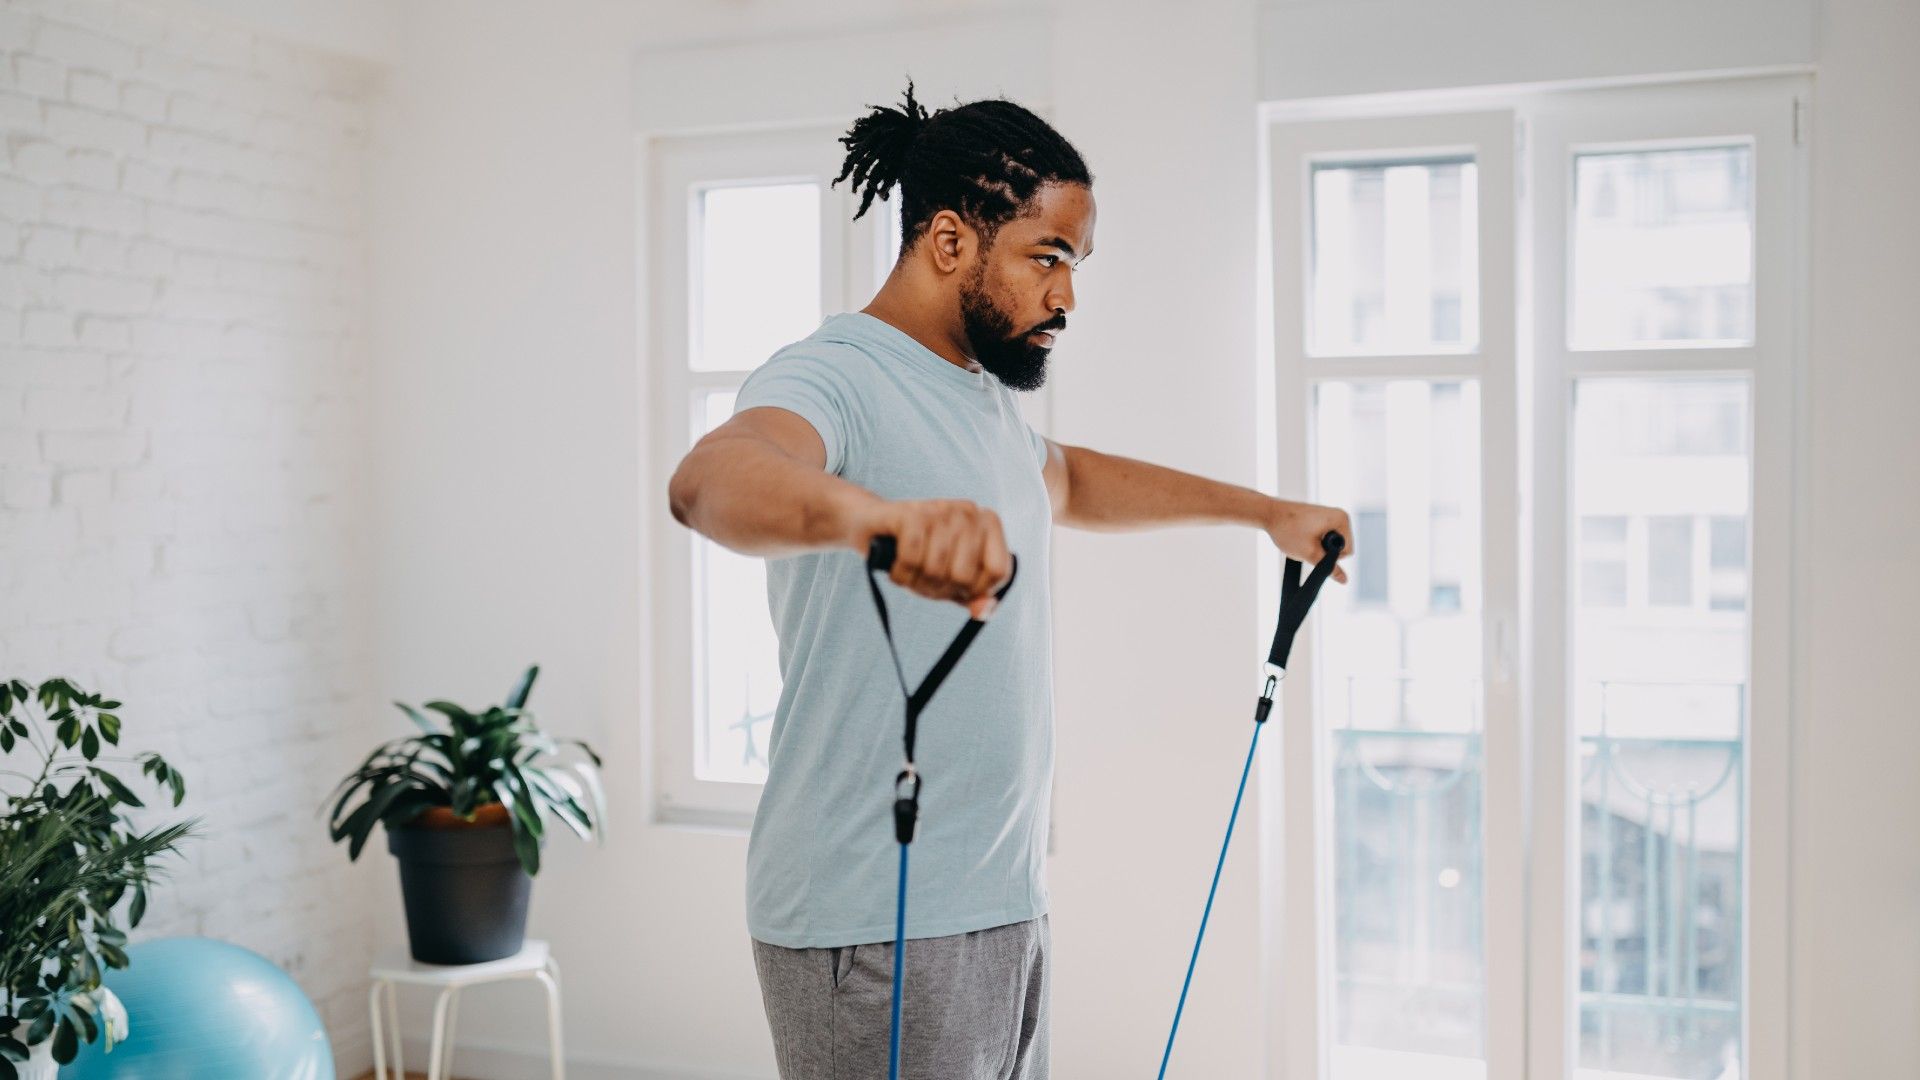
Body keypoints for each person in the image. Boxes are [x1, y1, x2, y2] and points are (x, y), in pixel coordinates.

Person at [667, 81, 1352, 1080]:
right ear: (951, 242)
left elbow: (1068, 478)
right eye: (1049, 257)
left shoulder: (975, 400)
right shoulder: (836, 373)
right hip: (875, 919)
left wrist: (1264, 513)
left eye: (1074, 264)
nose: (1066, 297)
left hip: (998, 905)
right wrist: (883, 522)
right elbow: (709, 479)